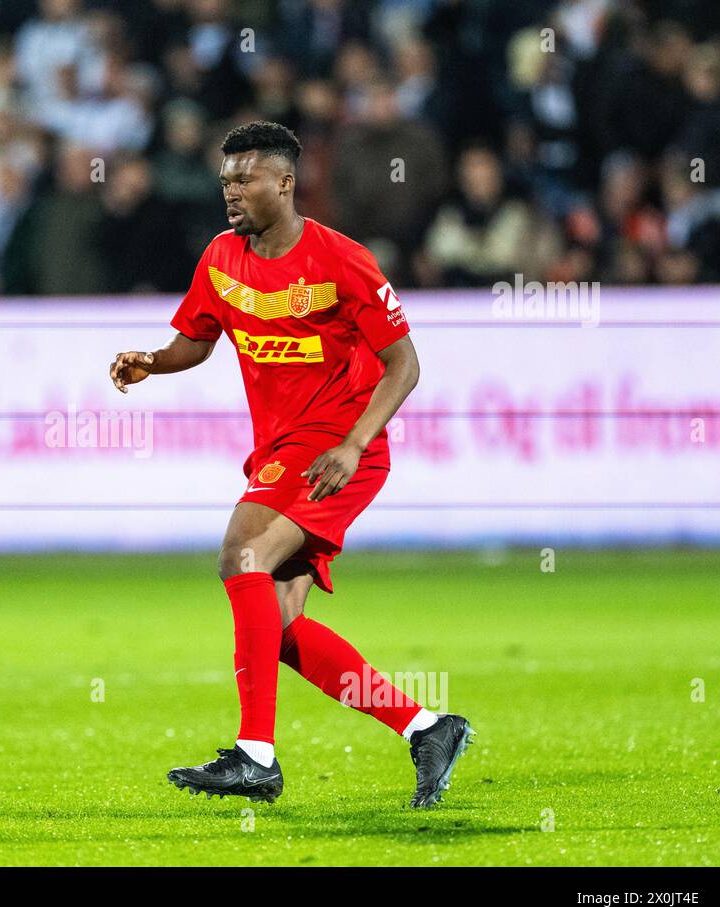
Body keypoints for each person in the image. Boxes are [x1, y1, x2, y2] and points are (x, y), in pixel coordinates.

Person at [108, 121, 472, 808]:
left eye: (244, 179)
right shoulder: (221, 257)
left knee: (241, 552)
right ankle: (426, 726)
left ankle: (256, 757)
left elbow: (406, 364)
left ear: (285, 182)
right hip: (283, 451)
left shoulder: (341, 260)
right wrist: (153, 362)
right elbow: (197, 339)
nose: (231, 192)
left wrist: (354, 443)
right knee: (273, 628)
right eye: (225, 180)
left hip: (336, 449)